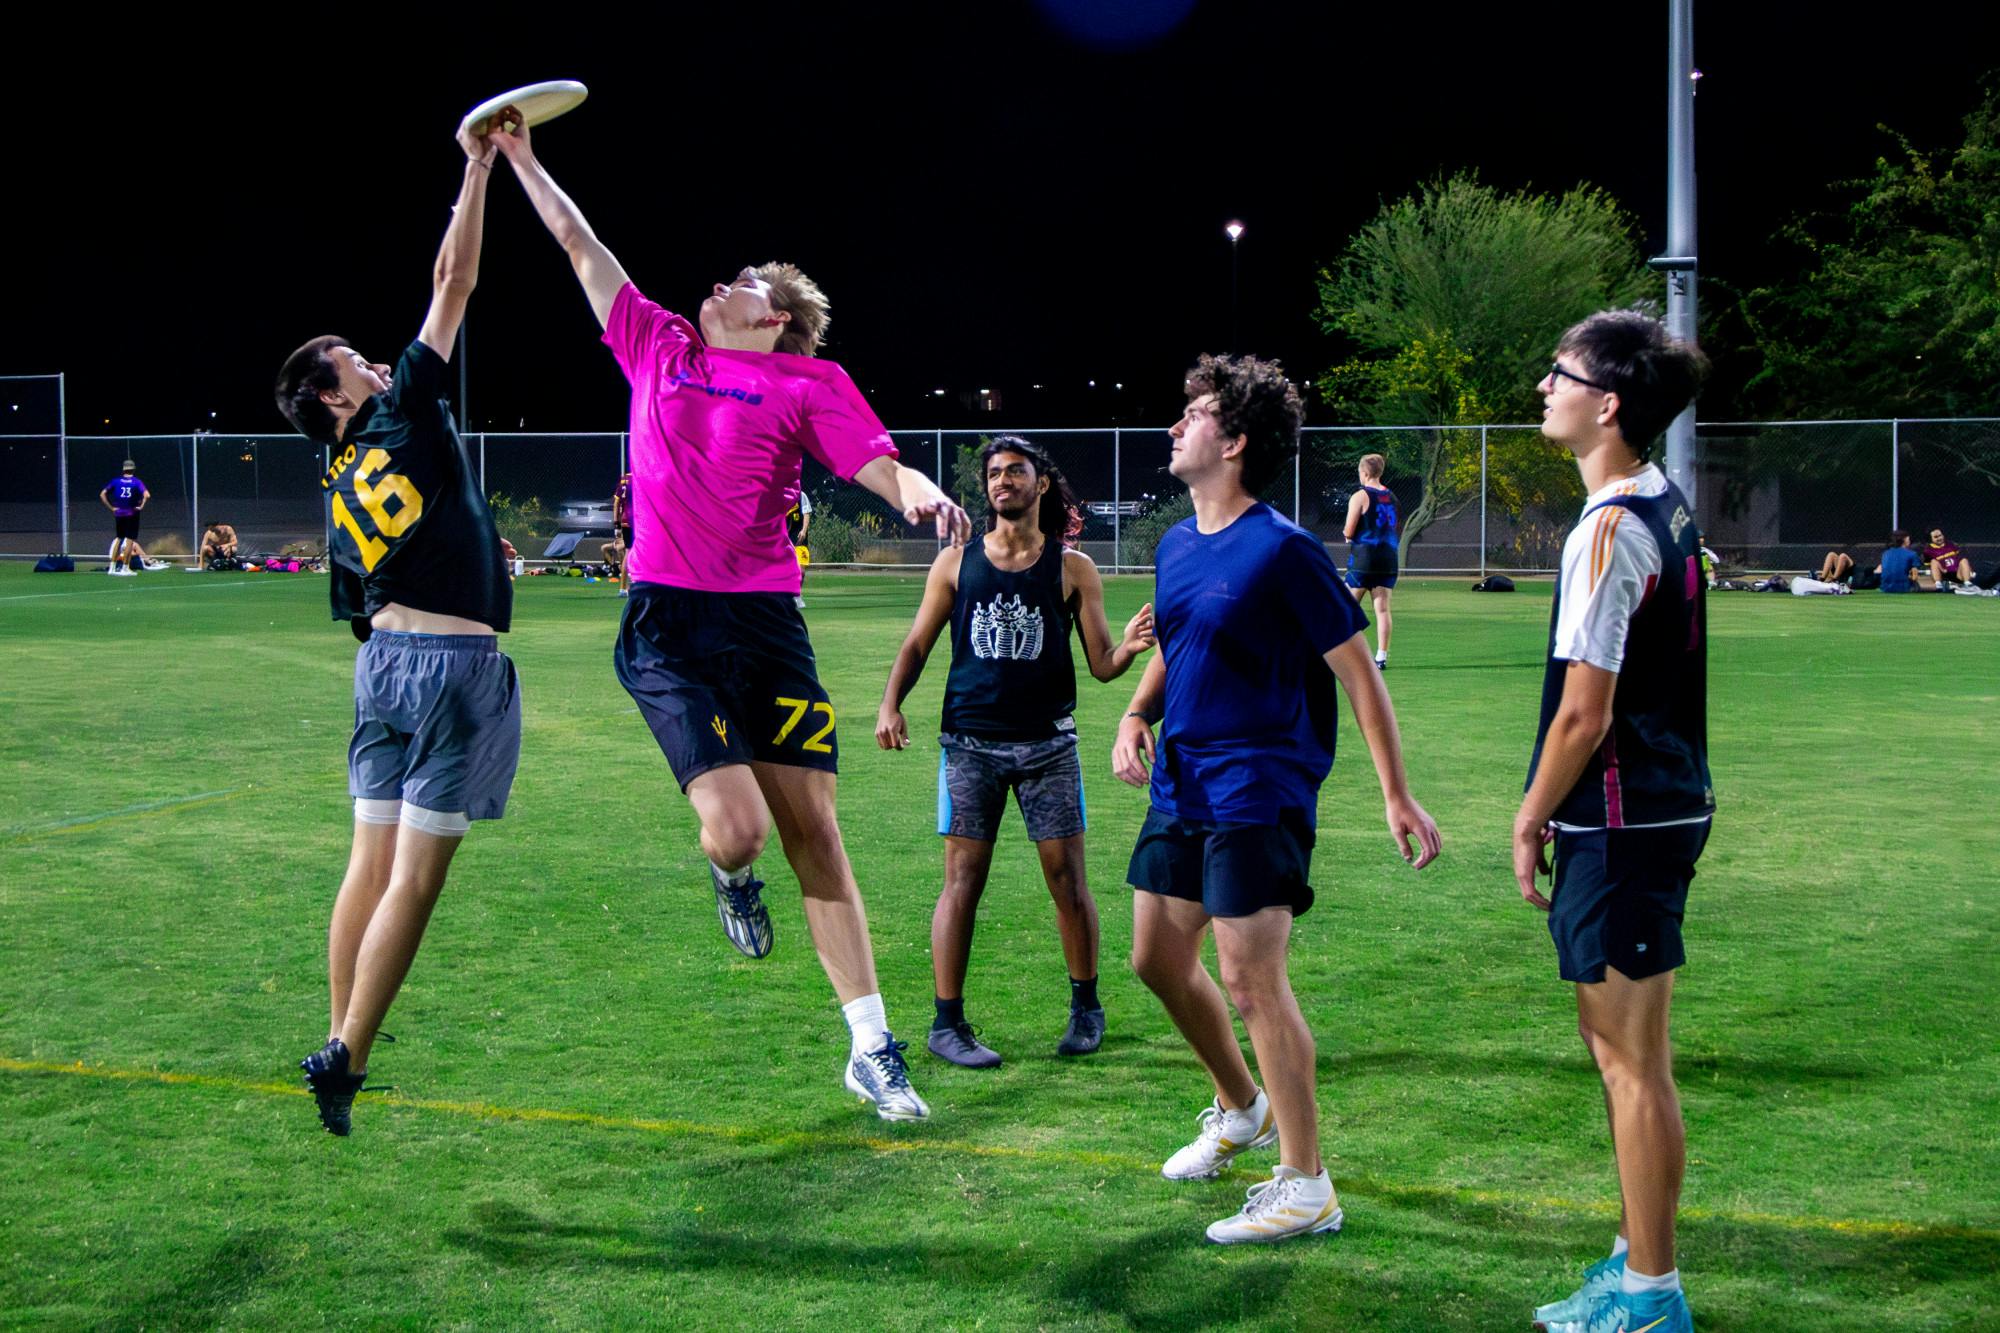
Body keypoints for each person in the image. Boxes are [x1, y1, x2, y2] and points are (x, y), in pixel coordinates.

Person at [492, 116, 971, 1122]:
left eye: (748, 278)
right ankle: (729, 876)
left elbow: (874, 463)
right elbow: (582, 246)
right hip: (668, 625)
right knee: (740, 830)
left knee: (817, 835)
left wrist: (917, 493)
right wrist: (523, 160)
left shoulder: (809, 381)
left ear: (778, 318)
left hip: (766, 626)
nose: (725, 279)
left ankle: (872, 1046)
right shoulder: (655, 343)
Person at [1112, 354, 1441, 1245]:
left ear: (1237, 441)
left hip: (1261, 781)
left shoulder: (1286, 549)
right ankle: (1240, 1106)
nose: (1178, 425)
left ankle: (1306, 1182)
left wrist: (1397, 795)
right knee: (1153, 957)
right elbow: (1180, 643)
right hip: (1184, 777)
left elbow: (1359, 677)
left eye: (1197, 414)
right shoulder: (1178, 544)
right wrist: (1136, 713)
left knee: (1251, 978)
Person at [273, 114, 519, 1137]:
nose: (379, 362)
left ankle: (341, 1034)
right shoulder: (400, 409)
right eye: (357, 363)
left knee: (365, 866)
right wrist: (475, 169)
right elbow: (451, 283)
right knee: (415, 877)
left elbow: (357, 613)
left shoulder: (335, 477)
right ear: (335, 397)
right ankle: (347, 1053)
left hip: (382, 670)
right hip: (454, 666)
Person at [1515, 311, 1711, 1333]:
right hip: (1653, 812)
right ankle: (1638, 1259)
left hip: (1625, 821)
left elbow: (1583, 712)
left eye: (1560, 373)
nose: (1542, 385)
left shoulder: (1608, 528)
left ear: (1608, 404)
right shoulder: (1656, 504)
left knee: (1628, 1062)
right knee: (1632, 1057)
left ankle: (1650, 1295)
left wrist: (1528, 813)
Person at [877, 436, 1155, 1068]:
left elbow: (1102, 665)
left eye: (1016, 472)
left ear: (1041, 484)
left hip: (1048, 747)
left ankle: (1086, 1010)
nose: (1003, 482)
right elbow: (918, 645)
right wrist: (891, 703)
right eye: (995, 474)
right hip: (968, 745)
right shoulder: (954, 563)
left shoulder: (1072, 567)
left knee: (1068, 881)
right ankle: (947, 1024)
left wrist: (1132, 648)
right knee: (961, 883)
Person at [1341, 453, 1400, 667]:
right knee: (1382, 609)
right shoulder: (1392, 497)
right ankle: (1381, 657)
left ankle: (1344, 655)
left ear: (1364, 473)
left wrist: (1348, 534)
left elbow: (1350, 528)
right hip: (1388, 559)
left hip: (1364, 560)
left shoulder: (1360, 496)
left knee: (1346, 607)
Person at [99, 461, 149, 575]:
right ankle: (125, 568)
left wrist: (112, 507)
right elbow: (147, 495)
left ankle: (112, 567)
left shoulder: (116, 481)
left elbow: (102, 494)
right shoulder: (136, 482)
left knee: (119, 538)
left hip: (119, 513)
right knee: (130, 540)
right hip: (132, 513)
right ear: (133, 469)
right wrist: (141, 505)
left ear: (123, 470)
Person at [612, 470, 633, 595]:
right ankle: (637, 584)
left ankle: (622, 588)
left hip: (626, 521)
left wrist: (616, 524)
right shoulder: (643, 477)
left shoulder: (624, 479)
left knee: (628, 552)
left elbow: (616, 503)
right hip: (640, 520)